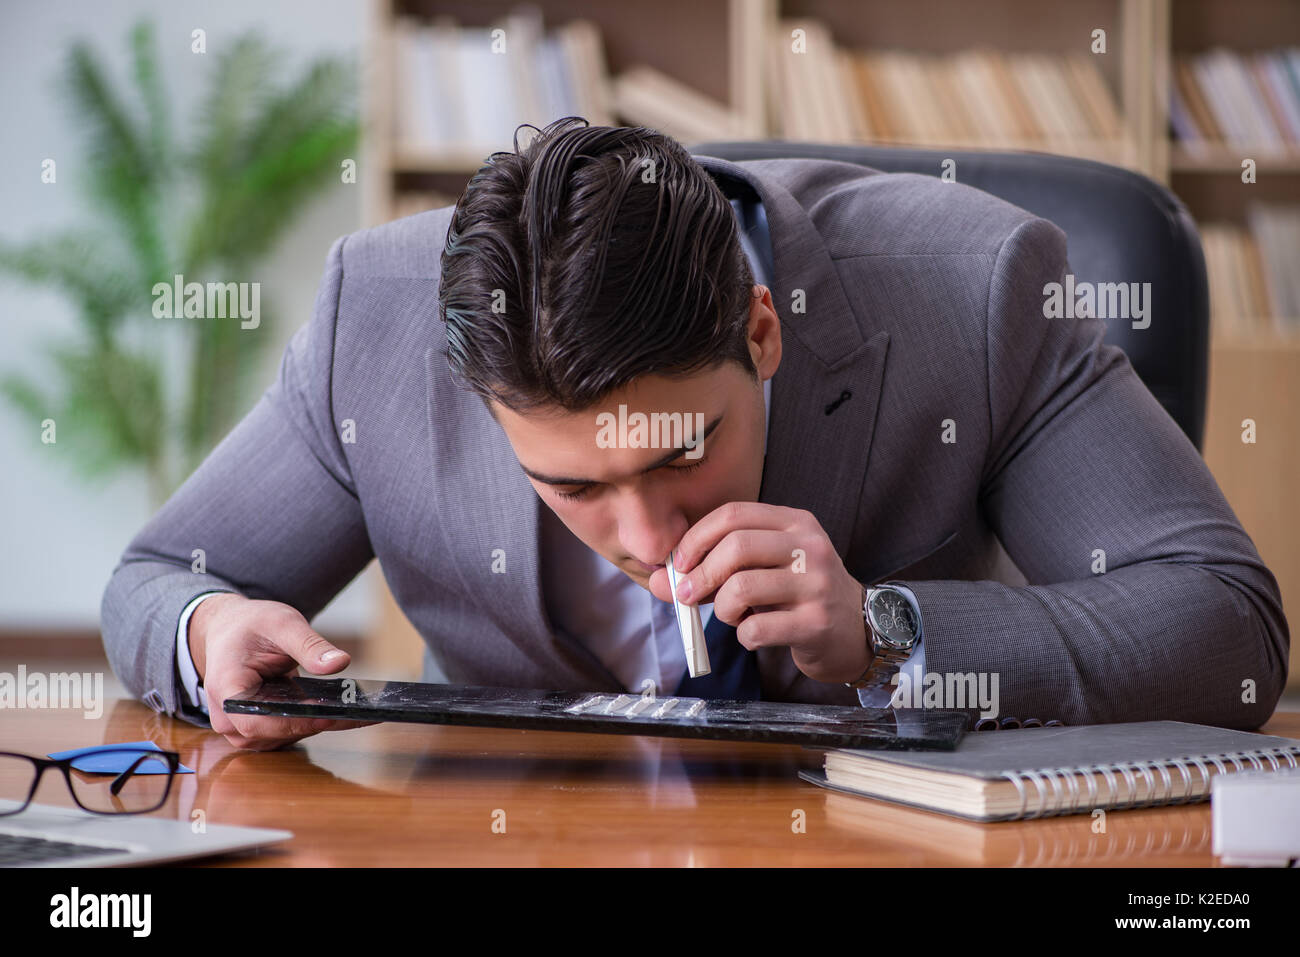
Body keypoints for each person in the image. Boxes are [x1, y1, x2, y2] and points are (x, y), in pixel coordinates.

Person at [101, 117, 1288, 750]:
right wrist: (209, 629)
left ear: (762, 330)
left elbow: (1224, 625)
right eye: (570, 487)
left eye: (679, 451)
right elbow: (157, 581)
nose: (642, 534)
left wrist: (887, 631)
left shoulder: (973, 293)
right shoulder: (373, 318)